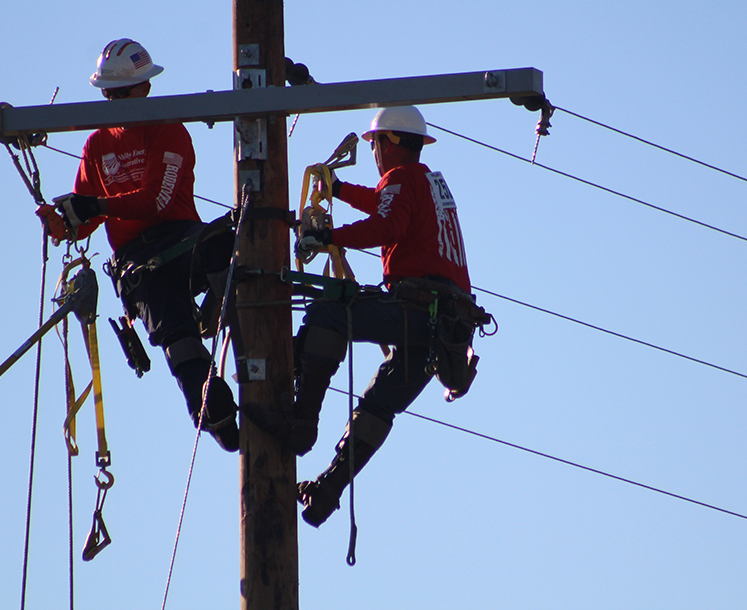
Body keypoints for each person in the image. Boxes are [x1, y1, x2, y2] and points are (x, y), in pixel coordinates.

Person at [243, 105, 473, 526]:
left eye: (375, 144)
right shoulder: (429, 183)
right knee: (378, 406)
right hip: (443, 329)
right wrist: (339, 189)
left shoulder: (404, 179)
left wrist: (329, 235)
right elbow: (387, 207)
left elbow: (386, 226)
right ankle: (327, 492)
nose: (373, 152)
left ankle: (301, 423)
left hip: (419, 310)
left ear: (390, 143)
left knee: (329, 311)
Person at [44, 38, 239, 452]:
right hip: (137, 264)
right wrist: (62, 224)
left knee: (226, 242)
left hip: (181, 239)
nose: (114, 101)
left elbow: (158, 200)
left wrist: (90, 204)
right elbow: (85, 222)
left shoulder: (167, 129)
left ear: (145, 88)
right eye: (108, 94)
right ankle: (217, 415)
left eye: (122, 92)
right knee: (177, 339)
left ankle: (246, 336)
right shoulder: (97, 145)